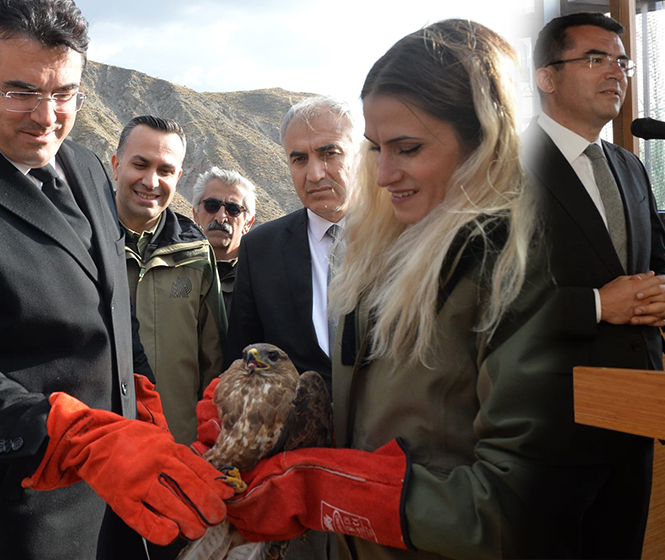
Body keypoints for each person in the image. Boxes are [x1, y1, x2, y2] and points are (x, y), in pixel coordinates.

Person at [198, 18, 653, 559]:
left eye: (408, 148)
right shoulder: (376, 249)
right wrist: (254, 425)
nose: (383, 174)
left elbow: (517, 506)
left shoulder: (518, 266)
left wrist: (331, 491)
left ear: (483, 141)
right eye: (377, 148)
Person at [0, 1, 231, 559]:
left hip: (121, 509)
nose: (47, 116)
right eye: (22, 92)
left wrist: (144, 407)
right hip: (21, 516)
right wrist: (77, 439)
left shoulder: (84, 166)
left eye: (65, 94)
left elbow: (114, 309)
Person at [522, 12, 665, 557]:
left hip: (635, 411)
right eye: (596, 58)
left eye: (622, 62)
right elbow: (485, 303)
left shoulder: (630, 165)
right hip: (548, 424)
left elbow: (657, 259)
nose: (616, 72)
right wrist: (598, 305)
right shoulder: (503, 170)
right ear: (547, 77)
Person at [226, 96, 355, 395]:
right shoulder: (260, 250)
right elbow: (241, 364)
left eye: (329, 153)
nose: (315, 174)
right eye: (299, 159)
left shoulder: (405, 238)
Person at [113, 115, 226, 446]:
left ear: (177, 178)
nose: (151, 181)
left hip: (178, 446)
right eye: (140, 165)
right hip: (98, 446)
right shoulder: (81, 240)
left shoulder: (196, 253)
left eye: (165, 170)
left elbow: (214, 361)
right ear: (116, 165)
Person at [191, 166, 256, 314]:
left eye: (233, 209)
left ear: (248, 223)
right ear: (196, 215)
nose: (221, 218)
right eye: (211, 206)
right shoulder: (175, 271)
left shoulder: (262, 280)